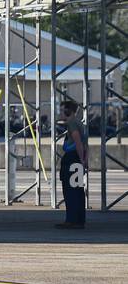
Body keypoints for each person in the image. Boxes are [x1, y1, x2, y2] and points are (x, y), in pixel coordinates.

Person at [56, 98, 88, 230]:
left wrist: (80, 159)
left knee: (70, 191)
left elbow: (78, 142)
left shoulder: (72, 124)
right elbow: (84, 144)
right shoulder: (80, 123)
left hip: (72, 158)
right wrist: (85, 159)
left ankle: (71, 220)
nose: (60, 113)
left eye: (62, 110)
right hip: (78, 159)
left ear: (68, 111)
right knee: (78, 190)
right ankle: (79, 219)